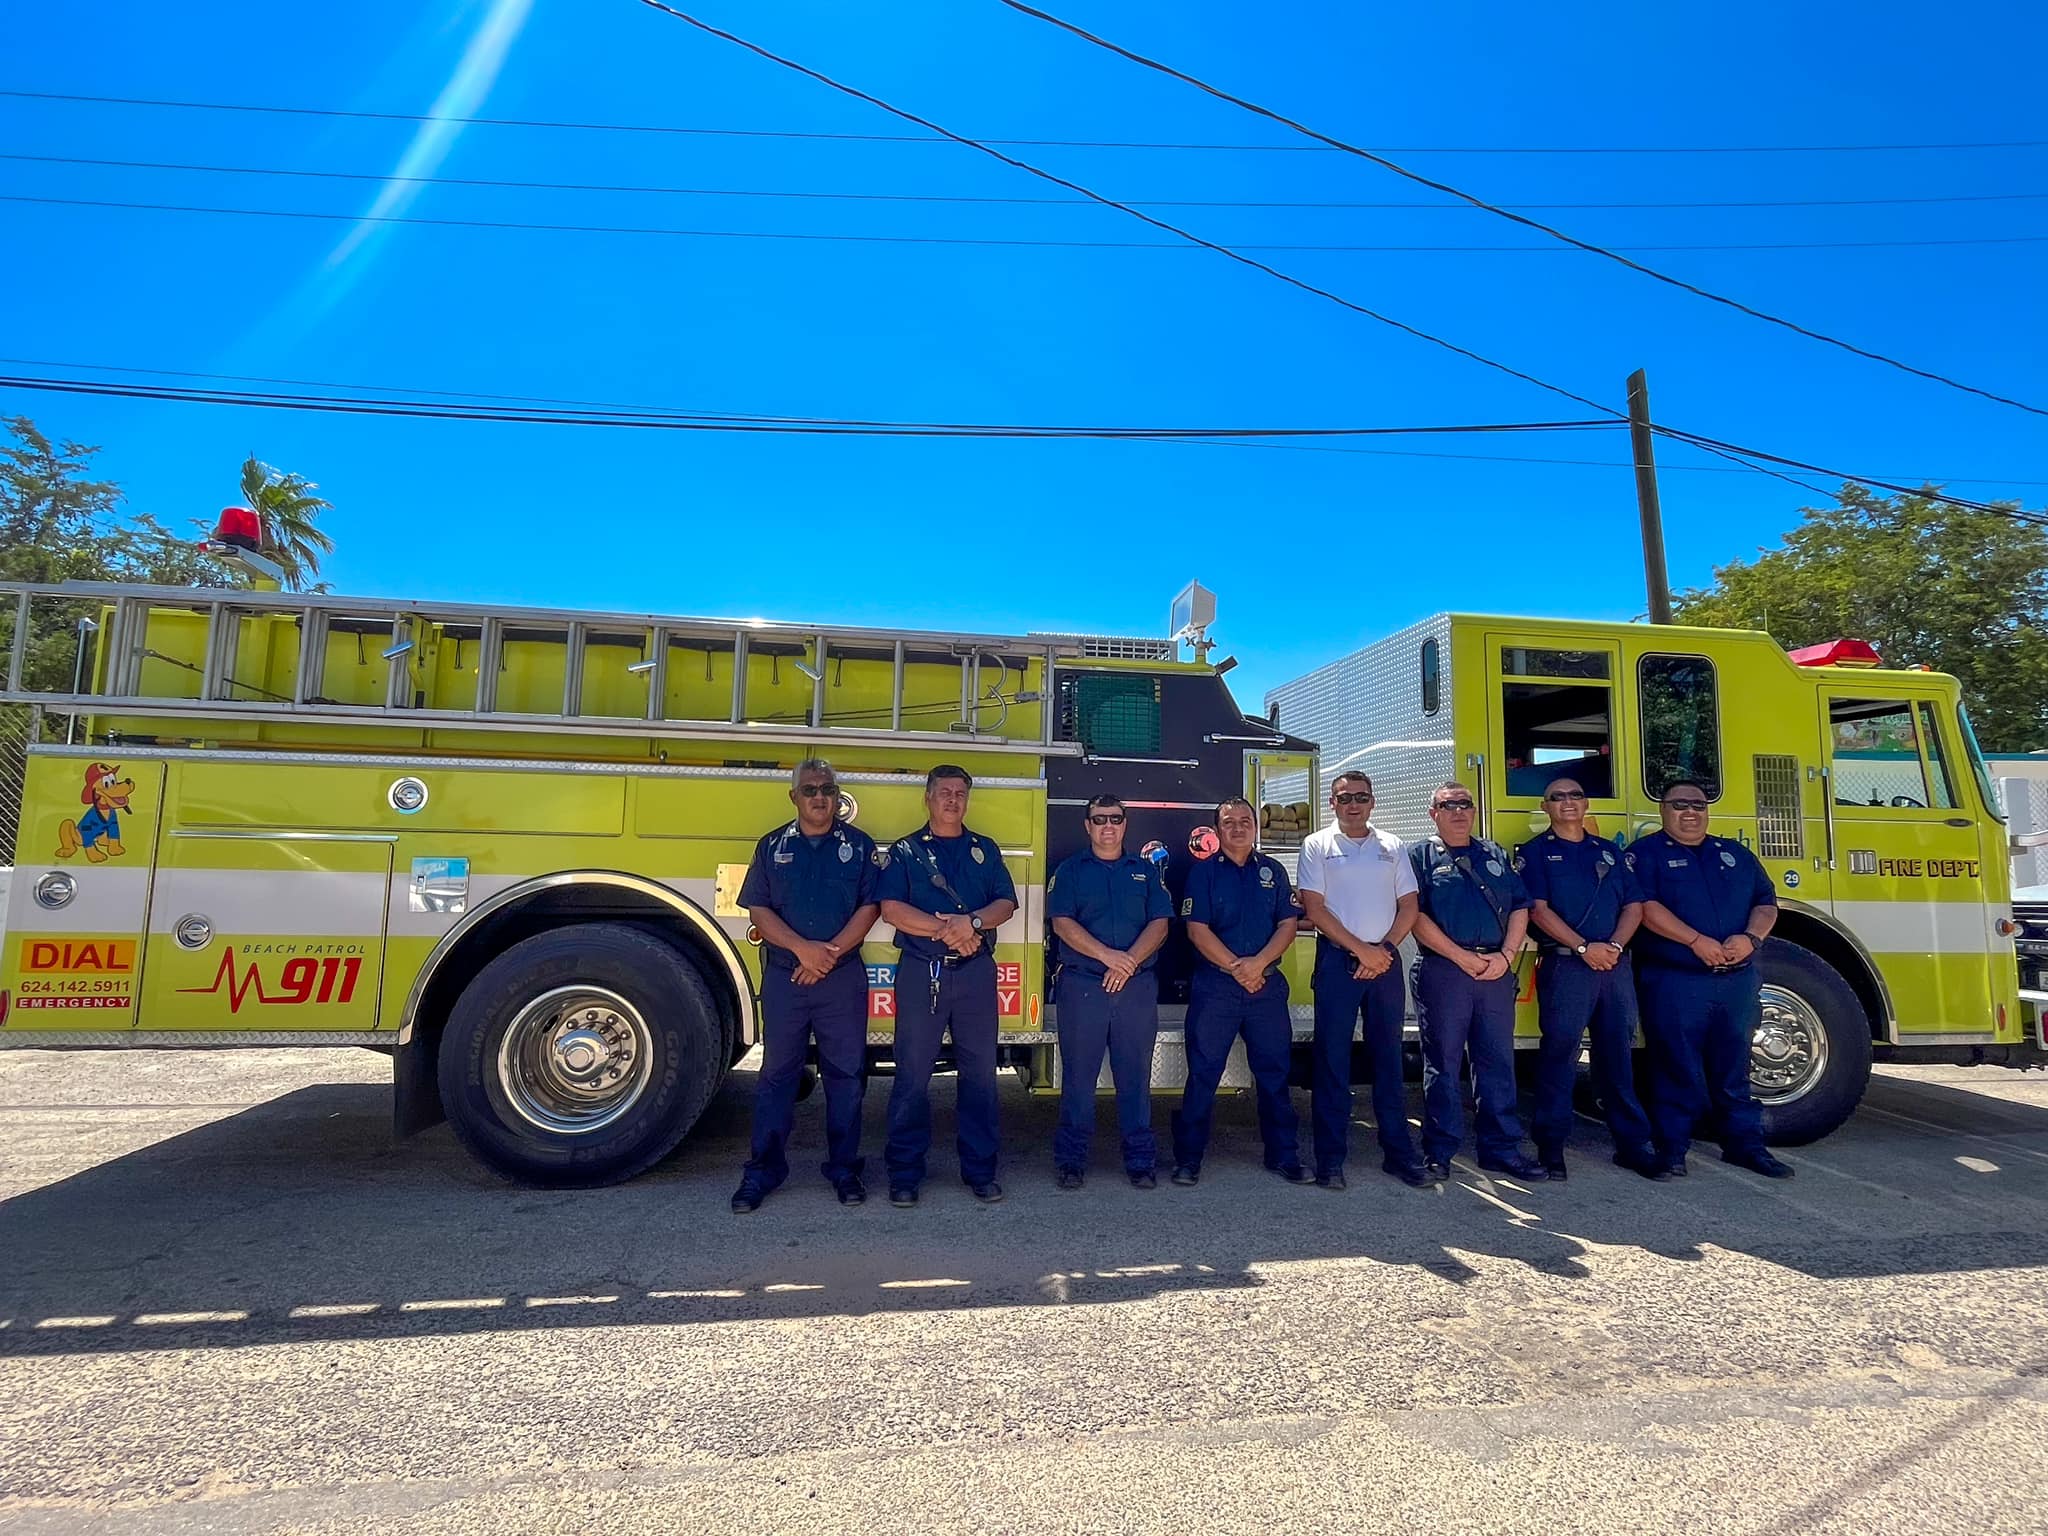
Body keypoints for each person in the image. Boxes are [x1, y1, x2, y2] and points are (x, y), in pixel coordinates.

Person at [731, 758, 881, 1213]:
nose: (820, 797)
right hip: (787, 977)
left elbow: (870, 908)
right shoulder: (771, 845)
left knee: (846, 1077)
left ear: (838, 797)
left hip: (841, 977)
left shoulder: (859, 846)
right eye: (811, 789)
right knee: (777, 1075)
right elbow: (759, 911)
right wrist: (804, 951)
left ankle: (844, 1170)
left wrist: (826, 955)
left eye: (827, 789)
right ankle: (763, 1172)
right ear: (794, 796)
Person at [1628, 780, 1795, 1180]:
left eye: (1698, 805)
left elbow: (1766, 902)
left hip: (1736, 981)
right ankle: (1671, 1150)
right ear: (1662, 810)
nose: (1690, 812)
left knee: (1735, 1068)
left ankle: (1745, 1146)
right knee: (1674, 1068)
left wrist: (1751, 939)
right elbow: (1645, 909)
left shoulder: (1734, 853)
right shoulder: (1644, 854)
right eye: (1679, 804)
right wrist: (1695, 941)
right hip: (1675, 981)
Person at [875, 764, 1019, 1206]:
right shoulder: (905, 851)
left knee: (980, 1076)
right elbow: (892, 910)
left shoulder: (984, 849)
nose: (953, 800)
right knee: (912, 1074)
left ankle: (980, 1171)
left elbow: (1006, 903)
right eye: (944, 792)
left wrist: (970, 922)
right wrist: (948, 931)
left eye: (960, 793)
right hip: (924, 972)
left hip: (975, 973)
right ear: (928, 797)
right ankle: (904, 1174)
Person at [1517, 776, 1665, 1182]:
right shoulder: (1535, 854)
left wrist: (1613, 946)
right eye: (1557, 797)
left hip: (1614, 967)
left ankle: (1632, 1146)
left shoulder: (1610, 853)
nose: (1568, 802)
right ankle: (1551, 1148)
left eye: (1576, 795)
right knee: (1559, 1056)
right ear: (1546, 807)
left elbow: (1634, 906)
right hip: (1567, 967)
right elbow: (1538, 910)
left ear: (1586, 805)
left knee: (1617, 1056)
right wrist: (1584, 947)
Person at [1294, 771, 1431, 1190]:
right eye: (1344, 798)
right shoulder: (1316, 844)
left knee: (1388, 1060)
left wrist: (1384, 949)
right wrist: (1361, 950)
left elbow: (1409, 905)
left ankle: (1398, 1155)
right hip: (1338, 963)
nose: (1353, 804)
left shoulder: (1392, 846)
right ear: (1332, 803)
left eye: (1360, 797)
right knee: (1332, 1060)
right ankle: (1330, 1159)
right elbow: (1314, 909)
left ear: (1372, 802)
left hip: (1384, 963)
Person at [1408, 781, 1548, 1182]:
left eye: (1464, 804)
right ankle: (1440, 1151)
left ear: (1473, 810)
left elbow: (1520, 906)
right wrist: (1461, 957)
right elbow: (1414, 915)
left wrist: (1506, 956)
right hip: (1445, 970)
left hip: (1495, 970)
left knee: (1497, 1062)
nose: (1458, 811)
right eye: (1448, 805)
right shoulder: (1418, 855)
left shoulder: (1493, 853)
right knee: (1443, 1064)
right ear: (1433, 813)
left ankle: (1501, 1149)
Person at [1170, 796, 1309, 1186]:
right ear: (1217, 830)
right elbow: (1197, 930)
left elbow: (1287, 925)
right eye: (1228, 822)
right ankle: (1188, 1160)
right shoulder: (1203, 874)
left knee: (1274, 1075)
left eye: (1245, 820)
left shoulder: (1273, 871)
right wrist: (1238, 967)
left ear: (1255, 826)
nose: (1237, 827)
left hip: (1266, 988)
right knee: (1203, 1074)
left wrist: (1258, 965)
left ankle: (1283, 1156)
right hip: (1216, 988)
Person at [1047, 794, 1173, 1190]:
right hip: (1084, 985)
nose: (1108, 826)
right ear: (1087, 825)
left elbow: (1160, 924)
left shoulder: (1144, 871)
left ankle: (1140, 1162)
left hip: (1135, 986)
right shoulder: (1070, 871)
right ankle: (1071, 1162)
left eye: (1115, 819)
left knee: (1135, 1076)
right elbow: (1062, 923)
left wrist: (1128, 962)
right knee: (1078, 1078)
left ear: (1124, 824)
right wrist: (1109, 957)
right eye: (1099, 819)